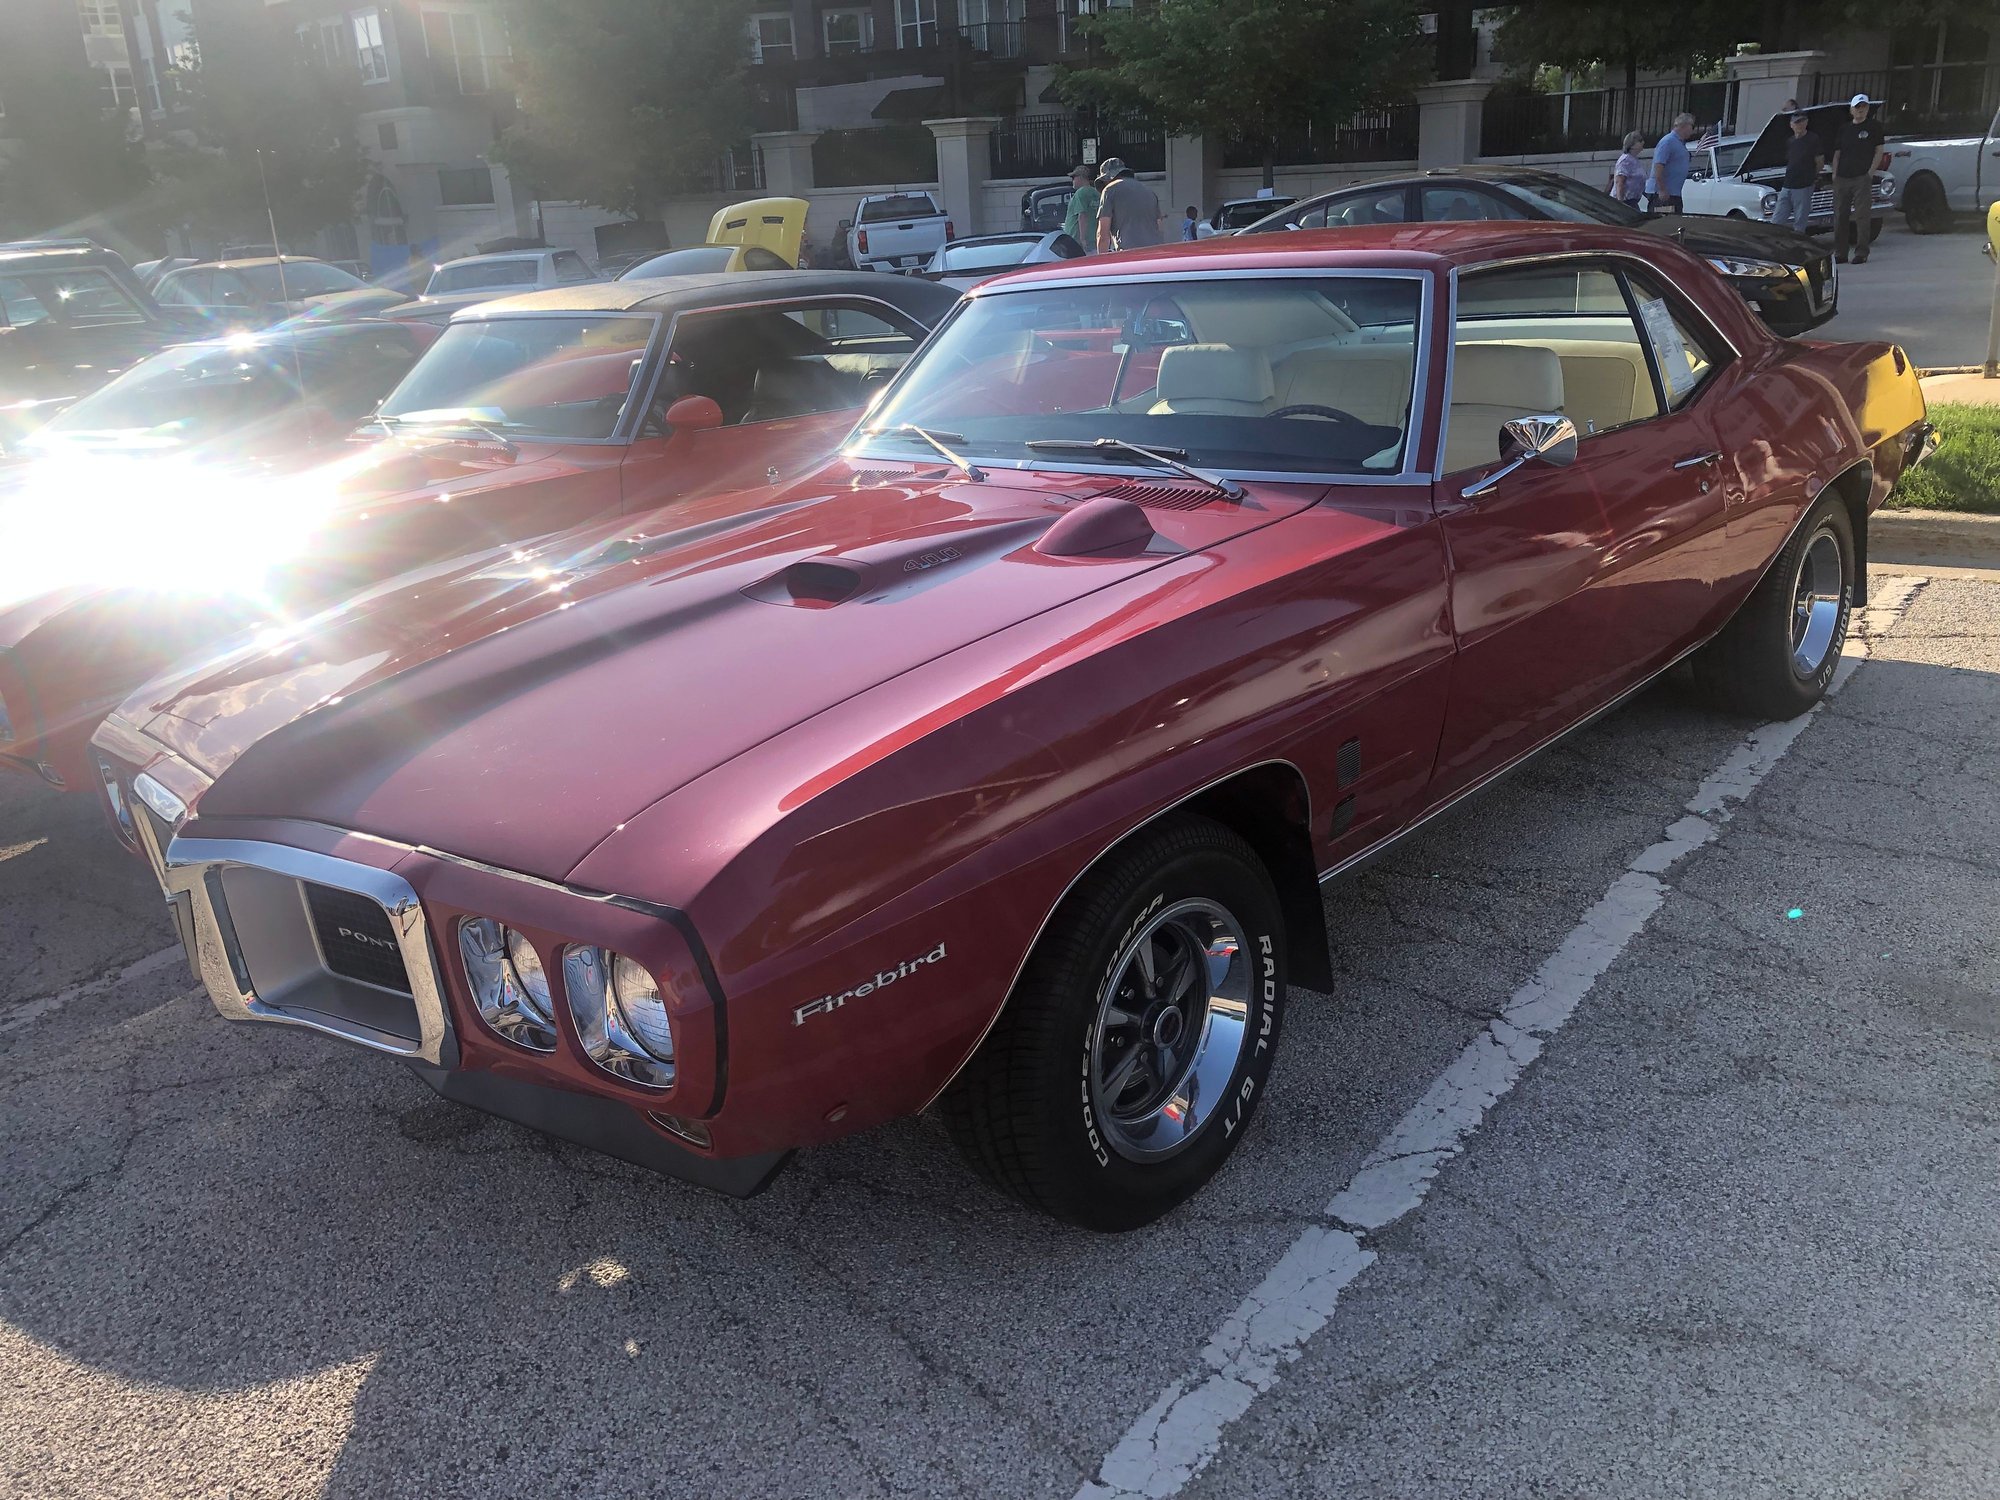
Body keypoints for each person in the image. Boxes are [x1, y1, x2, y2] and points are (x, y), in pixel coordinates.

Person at [1831, 93, 1884, 264]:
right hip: (1843, 177)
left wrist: (1870, 172)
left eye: (1864, 107)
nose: (1861, 110)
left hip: (1861, 177)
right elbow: (1837, 153)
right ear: (1851, 110)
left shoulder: (1874, 127)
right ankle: (1841, 252)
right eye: (1857, 107)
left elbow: (1879, 151)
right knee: (1840, 215)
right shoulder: (1844, 129)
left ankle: (1861, 252)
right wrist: (1835, 173)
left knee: (1862, 215)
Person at [1095, 157, 1164, 253]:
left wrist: (1102, 259)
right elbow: (1159, 228)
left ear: (1107, 178)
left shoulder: (1109, 190)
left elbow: (1103, 234)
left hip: (1129, 254)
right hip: (1154, 253)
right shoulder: (1149, 191)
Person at [1772, 111, 1824, 236]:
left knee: (1800, 222)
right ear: (1791, 125)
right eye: (1796, 122)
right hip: (1787, 184)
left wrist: (1811, 176)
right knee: (1776, 220)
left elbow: (1820, 161)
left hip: (1803, 186)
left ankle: (1798, 244)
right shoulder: (1790, 141)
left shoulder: (1813, 139)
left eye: (1802, 121)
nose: (1799, 125)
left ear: (1806, 122)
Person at [1648, 113, 1697, 213]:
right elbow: (1658, 166)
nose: (1693, 130)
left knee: (1675, 220)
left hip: (1674, 193)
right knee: (1664, 220)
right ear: (1684, 125)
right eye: (1692, 126)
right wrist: (1662, 189)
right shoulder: (1668, 142)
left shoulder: (1680, 143)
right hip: (1664, 195)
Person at [1061, 163, 1099, 255]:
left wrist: (1082, 239)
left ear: (1081, 177)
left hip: (1077, 241)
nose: (1072, 180)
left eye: (1074, 177)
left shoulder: (1080, 193)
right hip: (1093, 239)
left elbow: (1082, 215)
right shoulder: (1096, 193)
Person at [1608, 131, 1648, 205]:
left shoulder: (1634, 160)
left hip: (1633, 200)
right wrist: (1620, 203)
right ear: (1632, 145)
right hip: (1625, 201)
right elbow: (1620, 182)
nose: (1643, 142)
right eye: (1640, 141)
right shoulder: (1625, 160)